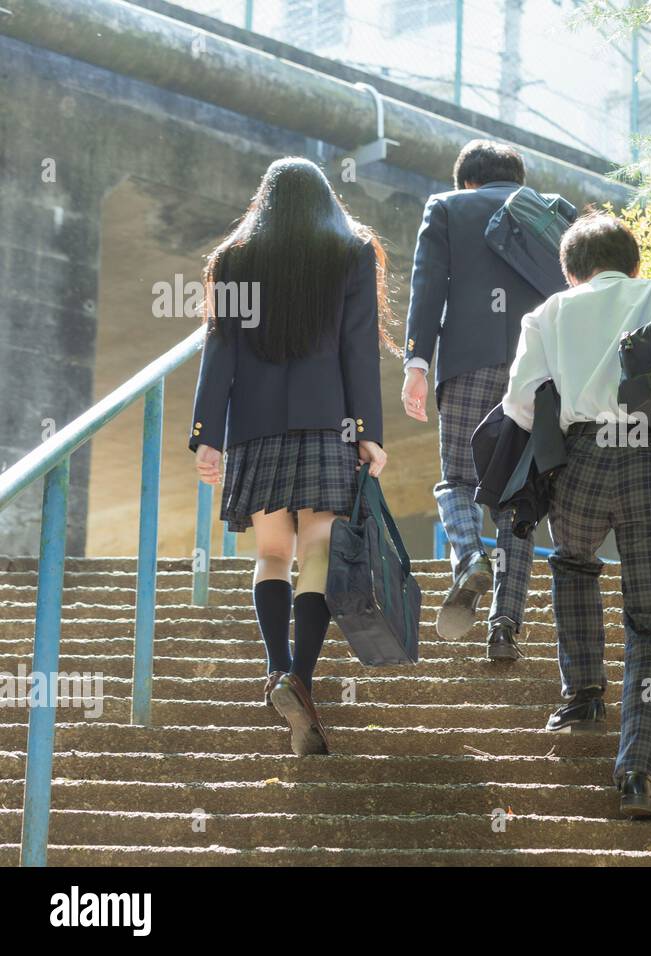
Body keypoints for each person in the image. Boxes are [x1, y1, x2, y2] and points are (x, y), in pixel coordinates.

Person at [501, 212, 651, 819]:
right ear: (636, 265)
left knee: (574, 561)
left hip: (580, 465)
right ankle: (638, 770)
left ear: (570, 271)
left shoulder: (548, 312)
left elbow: (522, 402)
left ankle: (582, 693)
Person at [190, 157, 396, 757]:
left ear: (265, 202)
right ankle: (300, 680)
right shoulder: (351, 252)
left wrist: (207, 434)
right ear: (326, 200)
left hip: (254, 427)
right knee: (317, 555)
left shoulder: (234, 258)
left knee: (272, 553)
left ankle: (276, 666)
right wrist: (366, 430)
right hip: (326, 424)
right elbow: (358, 346)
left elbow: (219, 349)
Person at [401, 139, 567, 660]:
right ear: (517, 177)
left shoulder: (447, 207)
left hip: (469, 365)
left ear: (466, 179)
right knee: (520, 496)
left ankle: (469, 557)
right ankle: (504, 629)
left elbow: (427, 288)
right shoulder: (552, 213)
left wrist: (417, 365)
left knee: (458, 478)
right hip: (540, 371)